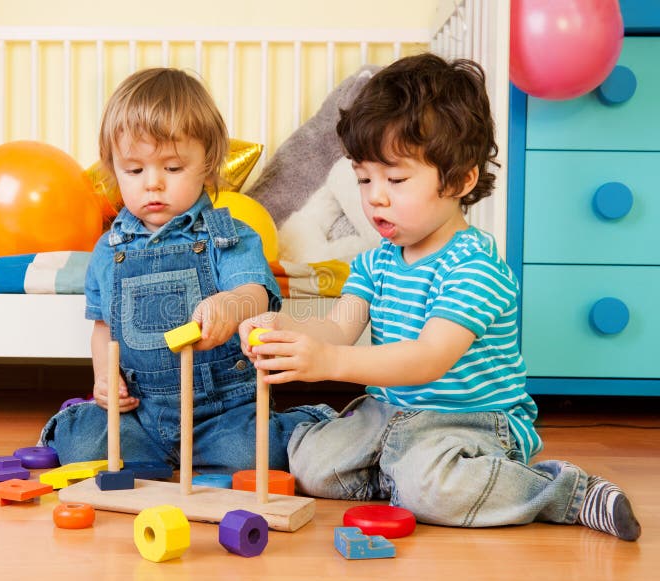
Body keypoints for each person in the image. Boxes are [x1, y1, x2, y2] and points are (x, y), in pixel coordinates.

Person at [238, 53, 641, 541]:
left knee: (436, 491)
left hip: (468, 420)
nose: (375, 198)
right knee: (312, 466)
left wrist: (329, 362)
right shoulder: (376, 261)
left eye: (397, 179)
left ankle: (567, 492)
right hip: (390, 413)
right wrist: (283, 326)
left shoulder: (474, 266)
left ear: (460, 179)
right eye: (364, 179)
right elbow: (338, 328)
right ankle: (397, 473)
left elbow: (428, 358)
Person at [40, 68, 334, 472]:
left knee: (255, 456)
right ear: (113, 168)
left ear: (208, 163)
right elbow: (104, 328)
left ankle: (303, 424)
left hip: (222, 411)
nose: (153, 184)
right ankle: (130, 439)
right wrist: (105, 379)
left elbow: (255, 294)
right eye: (135, 170)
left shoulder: (227, 234)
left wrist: (230, 305)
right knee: (85, 448)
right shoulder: (108, 250)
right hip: (141, 413)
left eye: (173, 168)